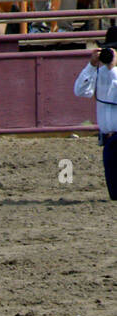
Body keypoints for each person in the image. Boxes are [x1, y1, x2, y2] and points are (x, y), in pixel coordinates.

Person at [74, 27, 117, 201]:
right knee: (114, 194)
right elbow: (80, 91)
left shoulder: (113, 73)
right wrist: (91, 66)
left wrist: (113, 70)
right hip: (108, 139)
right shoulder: (98, 72)